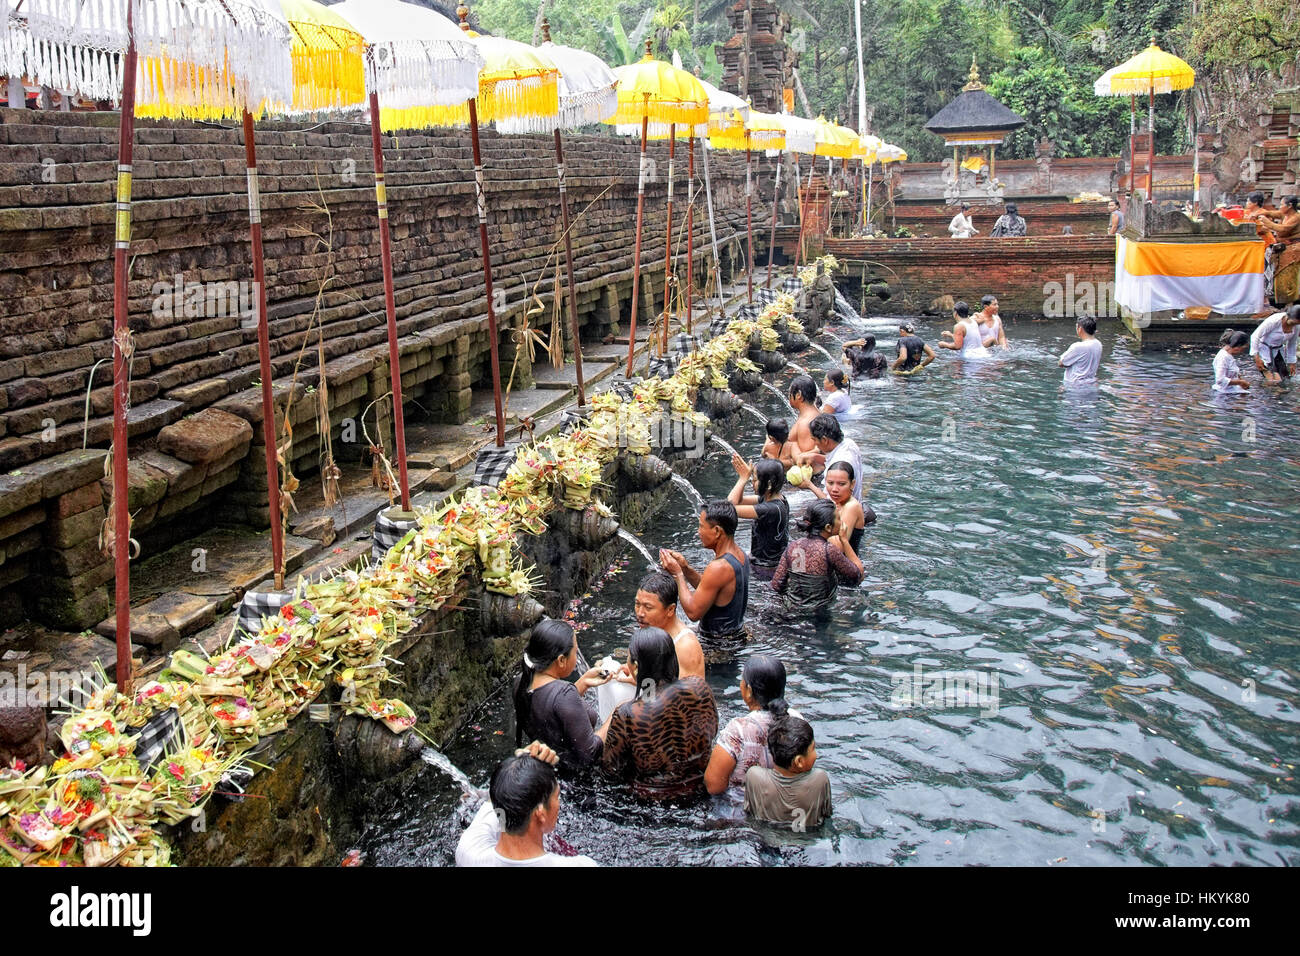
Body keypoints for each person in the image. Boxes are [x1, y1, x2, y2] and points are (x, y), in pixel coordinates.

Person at [601, 628, 718, 799]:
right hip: (700, 789)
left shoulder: (628, 713)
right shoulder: (700, 688)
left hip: (652, 800)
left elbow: (610, 772)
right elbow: (713, 732)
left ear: (636, 666)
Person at [456, 742, 599, 866]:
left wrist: (520, 766)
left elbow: (497, 797)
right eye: (557, 796)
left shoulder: (468, 852)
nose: (559, 804)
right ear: (541, 813)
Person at [512, 619, 613, 771]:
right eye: (575, 652)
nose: (576, 657)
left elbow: (551, 713)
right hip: (577, 783)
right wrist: (616, 714)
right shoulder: (564, 694)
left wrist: (583, 683)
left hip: (547, 770)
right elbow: (590, 753)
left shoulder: (521, 682)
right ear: (561, 660)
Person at [704, 655, 798, 794]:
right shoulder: (797, 719)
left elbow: (713, 785)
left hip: (742, 810)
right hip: (785, 803)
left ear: (749, 691)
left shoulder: (739, 730)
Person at [659, 500, 751, 642]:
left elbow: (693, 612)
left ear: (717, 531)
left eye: (701, 526)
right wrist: (686, 568)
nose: (698, 531)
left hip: (717, 645)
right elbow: (712, 588)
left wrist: (677, 574)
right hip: (734, 637)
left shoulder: (719, 567)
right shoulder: (740, 554)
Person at [771, 499, 864, 613]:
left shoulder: (793, 546)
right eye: (839, 518)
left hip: (791, 609)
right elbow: (856, 576)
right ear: (828, 527)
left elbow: (776, 585)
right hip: (818, 614)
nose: (842, 522)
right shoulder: (829, 549)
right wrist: (844, 540)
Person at [743, 714, 832, 829]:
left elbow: (749, 812)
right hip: (808, 841)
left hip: (768, 840)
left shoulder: (753, 776)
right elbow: (826, 815)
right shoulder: (820, 779)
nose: (816, 755)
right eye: (813, 749)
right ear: (799, 761)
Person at [726, 455, 789, 582]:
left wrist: (742, 479)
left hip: (766, 569)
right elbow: (738, 500)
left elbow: (729, 507)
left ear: (769, 484)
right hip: (766, 561)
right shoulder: (775, 499)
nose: (752, 483)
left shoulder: (770, 510)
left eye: (754, 480)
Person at [633, 571, 705, 679]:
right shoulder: (651, 629)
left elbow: (688, 695)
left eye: (648, 607)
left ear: (670, 610)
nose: (640, 613)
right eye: (637, 604)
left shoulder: (685, 647)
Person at [800, 460, 871, 555]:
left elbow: (839, 546)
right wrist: (809, 485)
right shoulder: (838, 502)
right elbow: (828, 503)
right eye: (830, 483)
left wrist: (814, 530)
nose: (834, 489)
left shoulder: (851, 507)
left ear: (852, 484)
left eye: (841, 484)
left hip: (846, 565)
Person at [802, 413, 863, 504]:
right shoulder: (849, 444)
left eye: (814, 440)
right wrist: (814, 457)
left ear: (824, 440)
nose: (815, 444)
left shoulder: (834, 472)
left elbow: (831, 503)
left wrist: (809, 485)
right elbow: (833, 460)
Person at [1249, 303, 1300, 382]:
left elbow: (1292, 344)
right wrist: (1257, 358)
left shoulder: (1297, 326)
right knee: (1274, 381)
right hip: (1264, 349)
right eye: (1293, 323)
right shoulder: (1274, 321)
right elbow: (1255, 336)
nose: (1294, 326)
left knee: (1285, 378)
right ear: (1288, 317)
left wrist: (1292, 362)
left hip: (1278, 349)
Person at [786, 374, 822, 473]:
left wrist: (780, 462)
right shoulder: (815, 413)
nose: (788, 397)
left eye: (789, 393)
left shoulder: (806, 423)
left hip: (809, 480)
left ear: (799, 395)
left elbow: (806, 462)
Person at [1059, 314, 1102, 386]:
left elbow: (1061, 363)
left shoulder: (1078, 346)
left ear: (1080, 328)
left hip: (1075, 385)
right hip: (1091, 384)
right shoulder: (1098, 344)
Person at [1213, 329, 1251, 394]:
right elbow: (1220, 380)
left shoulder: (1228, 356)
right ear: (1238, 346)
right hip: (1223, 393)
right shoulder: (1223, 357)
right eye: (1243, 348)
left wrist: (1240, 381)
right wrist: (1240, 382)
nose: (1242, 352)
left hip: (1231, 391)